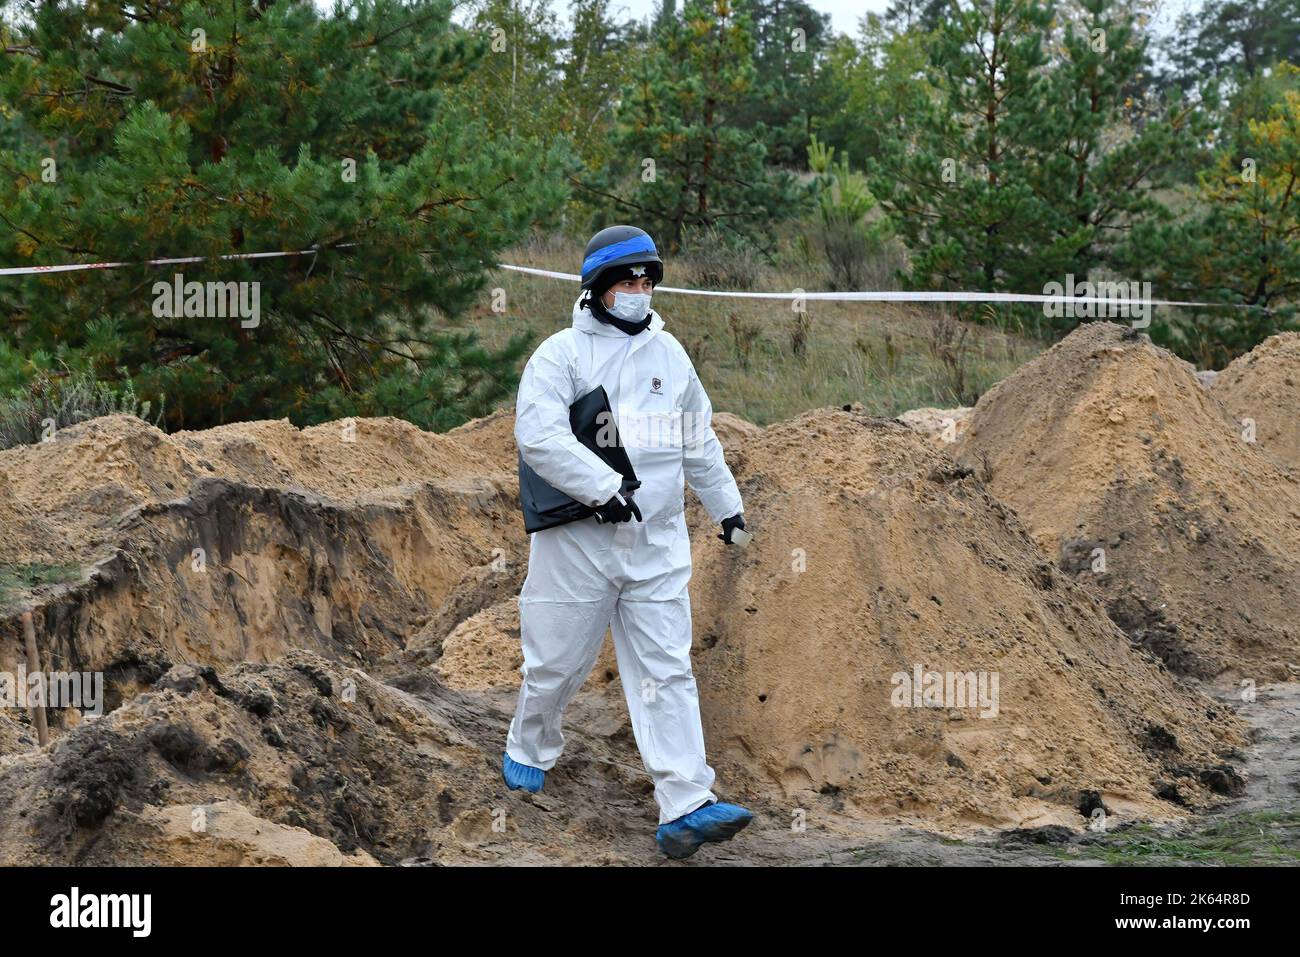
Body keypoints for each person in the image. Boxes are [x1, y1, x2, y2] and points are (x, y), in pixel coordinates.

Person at [502, 224, 753, 859]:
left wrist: (726, 506)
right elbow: (538, 436)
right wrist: (602, 487)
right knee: (555, 664)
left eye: (646, 281)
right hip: (579, 545)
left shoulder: (672, 357)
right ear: (597, 289)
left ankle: (685, 804)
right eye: (627, 282)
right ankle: (529, 747)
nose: (639, 292)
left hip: (657, 545)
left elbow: (699, 438)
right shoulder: (561, 355)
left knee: (668, 670)